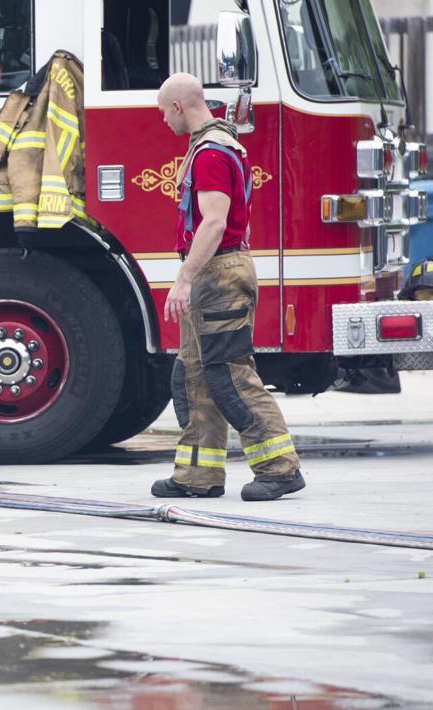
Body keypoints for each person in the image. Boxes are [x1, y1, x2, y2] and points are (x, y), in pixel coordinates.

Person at [152, 72, 304, 502]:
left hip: (216, 275)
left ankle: (279, 468)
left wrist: (183, 279)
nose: (164, 120)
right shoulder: (221, 144)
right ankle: (197, 476)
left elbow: (215, 221)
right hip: (213, 274)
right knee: (193, 376)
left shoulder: (211, 155)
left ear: (179, 107)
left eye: (165, 111)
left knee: (229, 375)